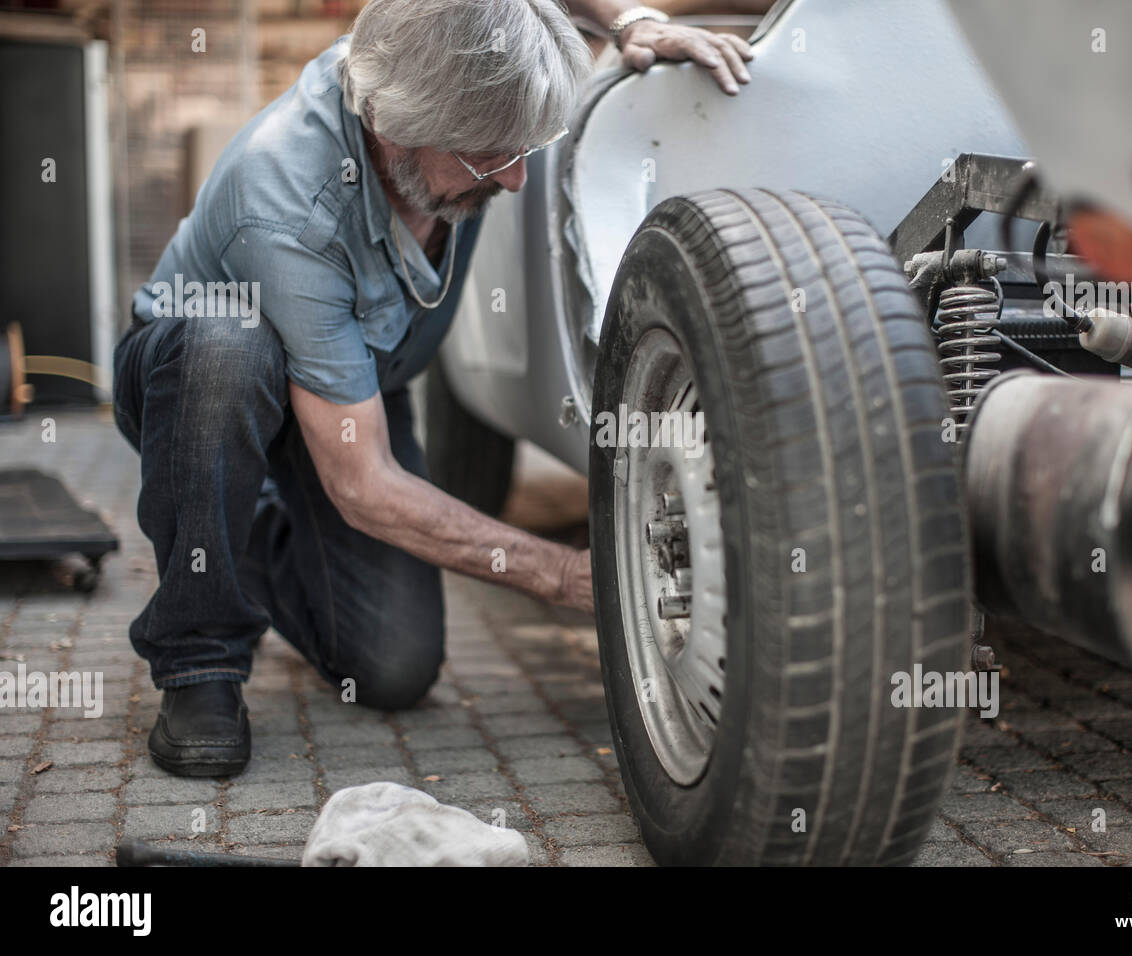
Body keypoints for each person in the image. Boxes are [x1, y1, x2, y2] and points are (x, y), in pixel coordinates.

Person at [111, 0, 753, 778]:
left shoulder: (432, 44)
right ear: (390, 127)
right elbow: (363, 483)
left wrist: (633, 22)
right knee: (230, 342)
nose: (515, 178)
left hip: (355, 390)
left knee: (391, 666)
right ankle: (199, 658)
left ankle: (239, 524)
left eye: (523, 147)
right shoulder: (284, 200)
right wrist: (558, 575)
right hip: (198, 381)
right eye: (490, 157)